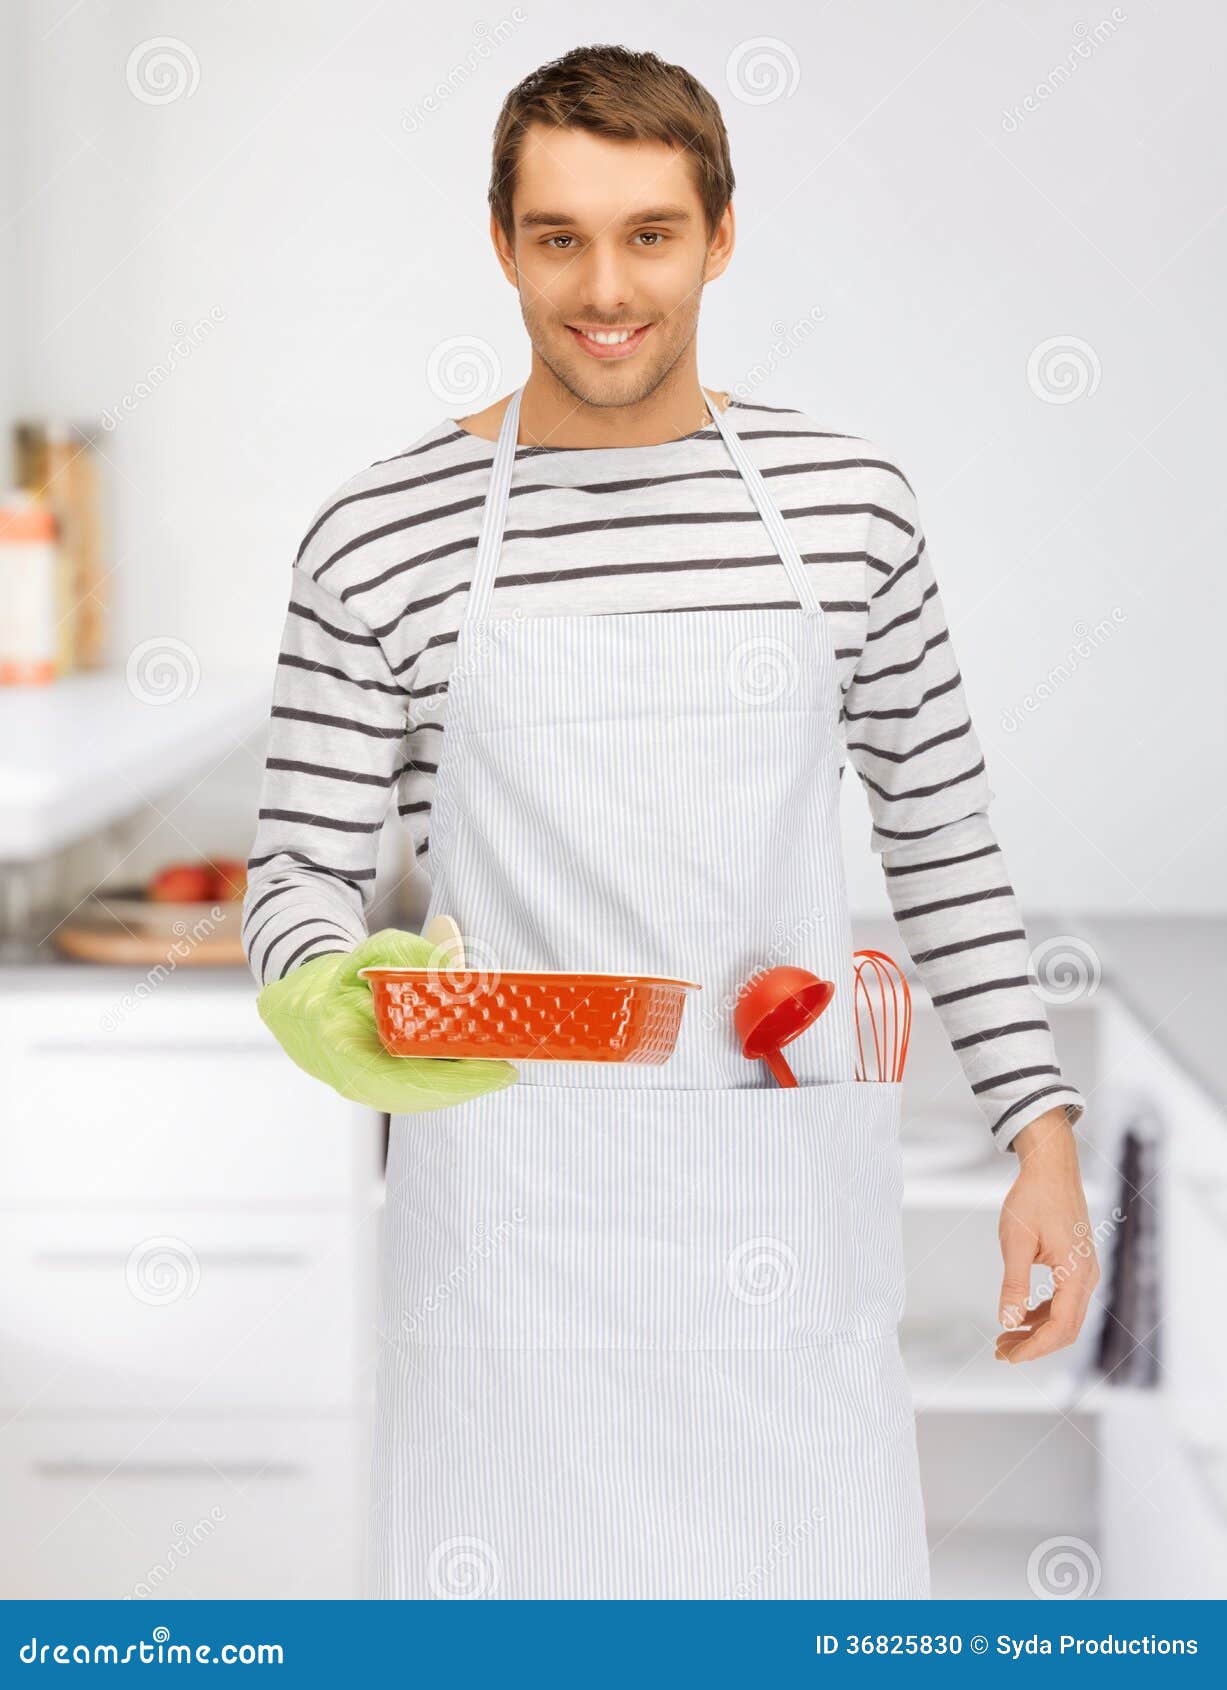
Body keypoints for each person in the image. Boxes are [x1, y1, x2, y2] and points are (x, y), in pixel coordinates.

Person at [243, 44, 1094, 1600]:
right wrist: (321, 979)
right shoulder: (379, 536)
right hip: (510, 1234)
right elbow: (300, 861)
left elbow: (944, 838)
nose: (604, 286)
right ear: (500, 243)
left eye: (649, 232)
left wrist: (1040, 1136)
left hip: (772, 1214)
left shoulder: (850, 511)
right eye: (559, 235)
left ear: (717, 236)